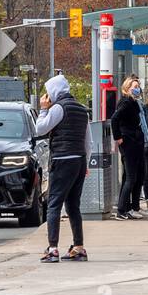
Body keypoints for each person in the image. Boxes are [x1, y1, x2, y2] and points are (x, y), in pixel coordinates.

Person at [34, 73, 91, 263]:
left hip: (62, 159)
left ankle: (52, 248)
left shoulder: (58, 108)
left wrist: (43, 109)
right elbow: (87, 141)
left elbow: (40, 129)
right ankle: (78, 246)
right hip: (79, 160)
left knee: (54, 204)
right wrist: (86, 162)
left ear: (54, 91)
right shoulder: (82, 110)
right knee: (73, 205)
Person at [111, 76, 148, 220]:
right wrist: (118, 137)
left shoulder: (134, 102)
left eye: (138, 85)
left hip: (136, 142)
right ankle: (121, 210)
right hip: (129, 142)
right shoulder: (126, 102)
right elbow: (115, 119)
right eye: (134, 86)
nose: (137, 88)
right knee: (131, 177)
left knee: (137, 176)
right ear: (127, 88)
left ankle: (131, 207)